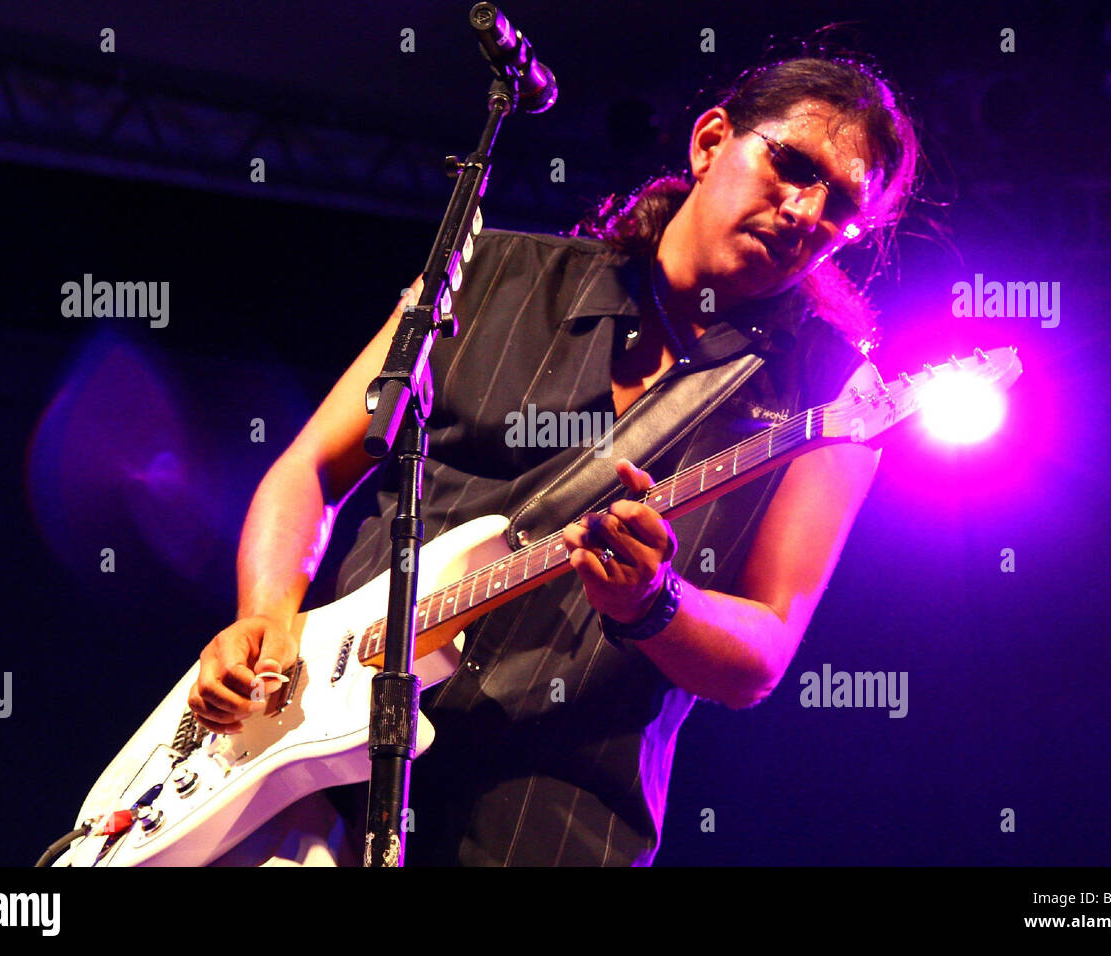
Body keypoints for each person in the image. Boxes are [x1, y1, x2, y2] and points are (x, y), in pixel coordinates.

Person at [190, 51, 920, 866]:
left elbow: (762, 656)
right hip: (314, 760)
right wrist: (263, 617)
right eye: (791, 164)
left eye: (843, 207)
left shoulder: (835, 395)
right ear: (711, 141)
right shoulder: (483, 276)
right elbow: (310, 471)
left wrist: (655, 604)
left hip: (551, 813)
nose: (806, 210)